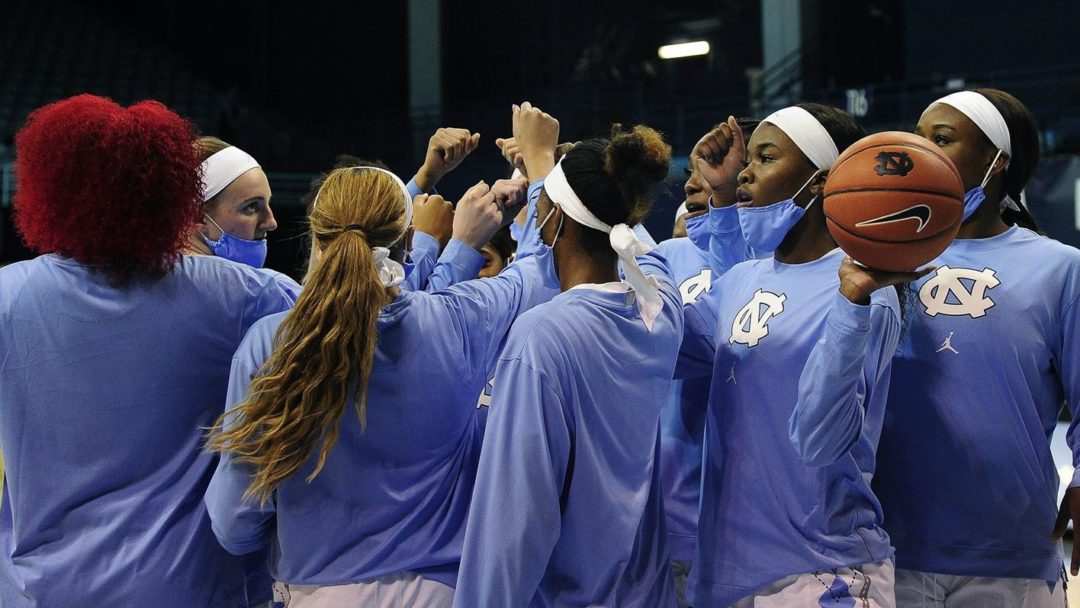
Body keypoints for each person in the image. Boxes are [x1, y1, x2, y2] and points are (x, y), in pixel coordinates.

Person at [204, 164, 558, 606]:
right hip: (444, 594)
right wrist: (540, 173)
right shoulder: (458, 320)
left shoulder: (271, 343)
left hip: (319, 593)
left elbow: (234, 522)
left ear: (316, 241)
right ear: (409, 242)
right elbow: (539, 272)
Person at [0, 94, 299, 607]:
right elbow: (369, 323)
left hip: (43, 590)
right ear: (170, 195)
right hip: (195, 588)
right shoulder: (246, 294)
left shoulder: (9, 296)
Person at [679, 103, 921, 607]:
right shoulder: (744, 279)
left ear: (820, 182)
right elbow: (662, 353)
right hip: (724, 570)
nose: (747, 170)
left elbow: (819, 441)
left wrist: (851, 305)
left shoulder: (864, 293)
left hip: (818, 572)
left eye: (766, 158)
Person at [454, 104, 682, 607]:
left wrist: (544, 166)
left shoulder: (543, 336)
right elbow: (639, 246)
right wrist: (549, 171)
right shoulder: (661, 310)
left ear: (554, 219)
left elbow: (515, 520)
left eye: (540, 211)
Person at [872, 88, 1080, 607]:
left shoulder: (1058, 267)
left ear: (996, 161)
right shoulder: (870, 261)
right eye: (917, 138)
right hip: (886, 548)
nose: (922, 151)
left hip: (1009, 551)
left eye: (941, 139)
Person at [654, 118, 757, 607]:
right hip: (665, 513)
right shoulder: (667, 253)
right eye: (691, 177)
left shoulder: (770, 263)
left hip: (749, 517)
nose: (694, 180)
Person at [185, 136, 279, 268]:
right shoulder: (272, 287)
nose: (271, 223)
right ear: (198, 217)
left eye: (268, 203)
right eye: (251, 207)